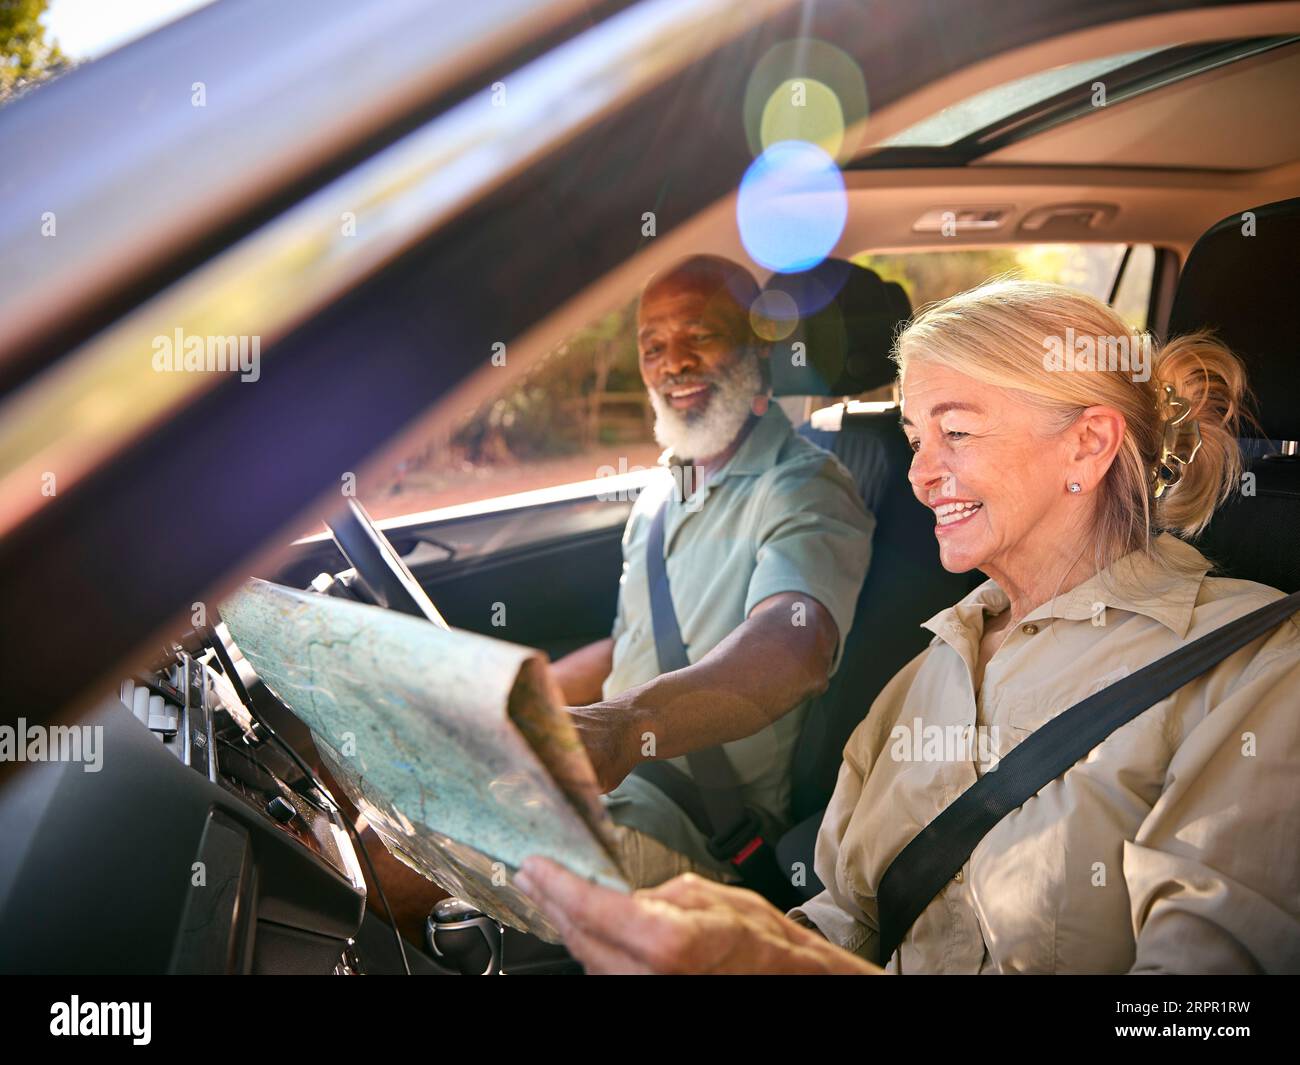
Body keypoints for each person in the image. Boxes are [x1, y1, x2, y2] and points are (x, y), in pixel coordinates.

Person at [518, 279, 1300, 974]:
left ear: (1087, 443)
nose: (922, 473)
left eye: (956, 432)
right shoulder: (931, 666)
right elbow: (845, 918)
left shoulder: (1255, 671)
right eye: (917, 437)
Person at [551, 254, 873, 888]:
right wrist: (507, 702)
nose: (674, 363)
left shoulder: (805, 487)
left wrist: (621, 729)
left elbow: (794, 647)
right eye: (654, 346)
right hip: (616, 786)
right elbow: (628, 646)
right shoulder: (659, 493)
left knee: (385, 868)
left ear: (757, 347)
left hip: (700, 827)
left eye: (700, 335)